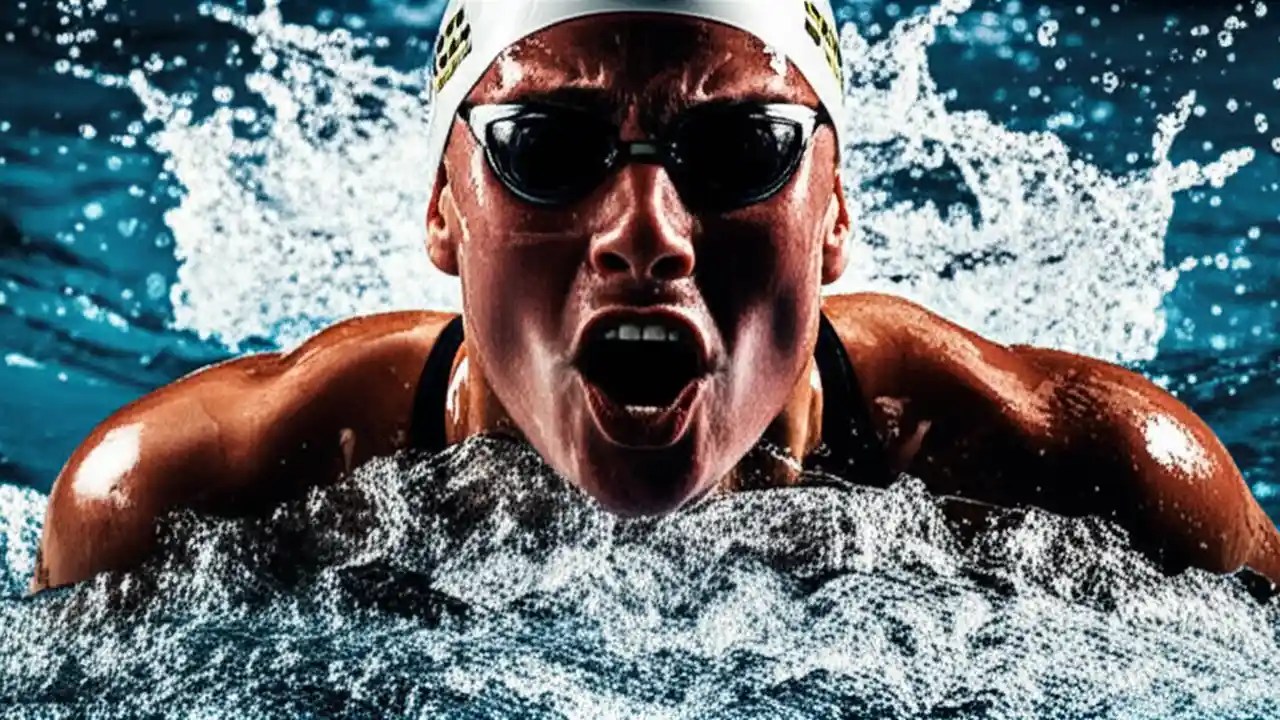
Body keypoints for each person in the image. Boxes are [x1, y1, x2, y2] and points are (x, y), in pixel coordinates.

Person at [28, 0, 1280, 595]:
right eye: (545, 148)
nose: (644, 234)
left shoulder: (1097, 484)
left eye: (742, 154)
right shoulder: (190, 502)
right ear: (441, 214)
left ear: (837, 213)